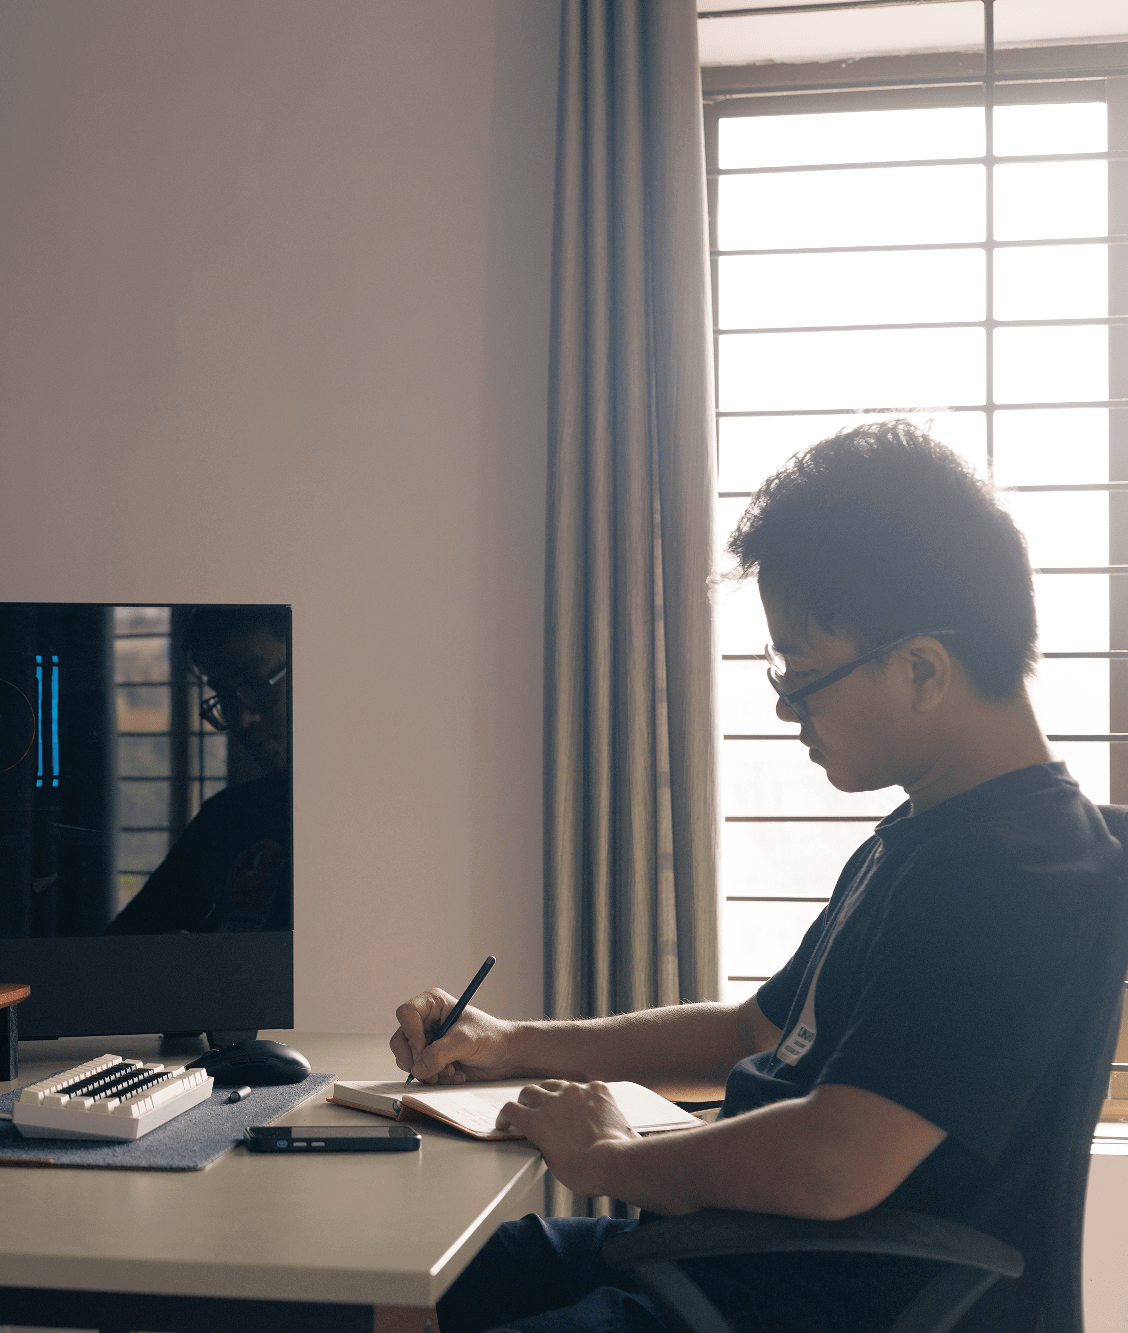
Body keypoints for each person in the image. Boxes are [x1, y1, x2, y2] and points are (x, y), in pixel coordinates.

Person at [396, 421, 1126, 1333]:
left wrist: (613, 1159)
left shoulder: (1006, 878)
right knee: (432, 1279)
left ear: (924, 669)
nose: (786, 705)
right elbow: (757, 1030)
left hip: (798, 1303)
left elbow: (832, 1163)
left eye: (807, 672)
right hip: (734, 1268)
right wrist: (514, 1041)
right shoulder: (933, 839)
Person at [108, 604, 292, 934]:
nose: (241, 720)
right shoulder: (228, 816)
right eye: (225, 697)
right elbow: (126, 944)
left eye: (255, 686)